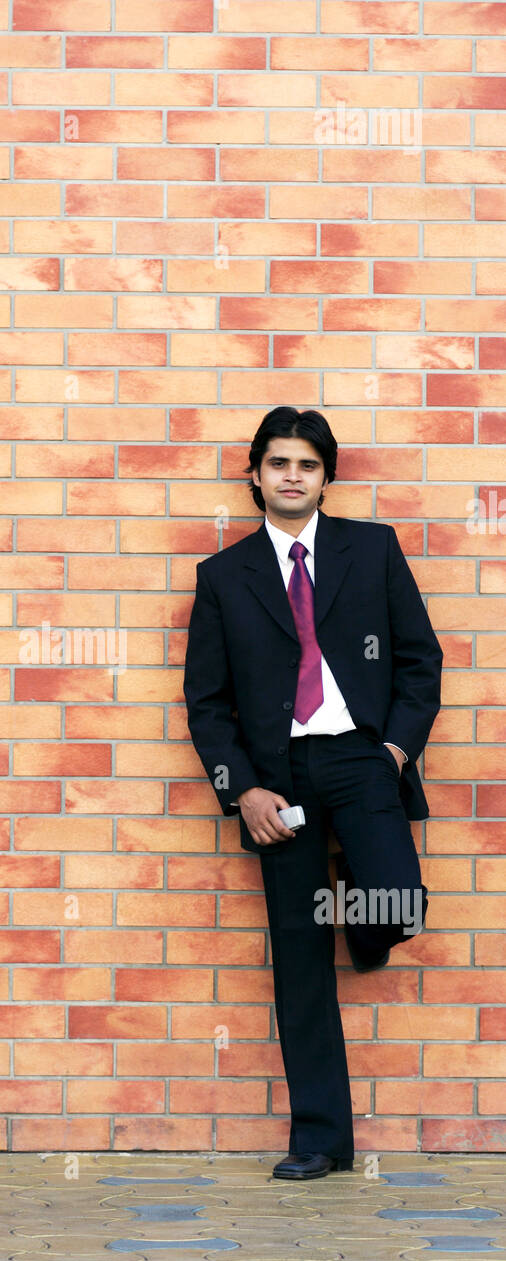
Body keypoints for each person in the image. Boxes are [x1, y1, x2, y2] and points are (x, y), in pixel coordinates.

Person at [183, 407, 443, 1179]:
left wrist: (393, 752)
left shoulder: (372, 550)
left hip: (364, 760)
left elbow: (418, 659)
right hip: (279, 777)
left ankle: (359, 932)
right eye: (278, 463)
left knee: (395, 899)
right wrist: (243, 794)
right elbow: (207, 701)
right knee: (299, 957)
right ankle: (320, 1139)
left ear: (327, 478)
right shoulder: (224, 577)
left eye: (307, 464)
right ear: (255, 475)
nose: (292, 475)